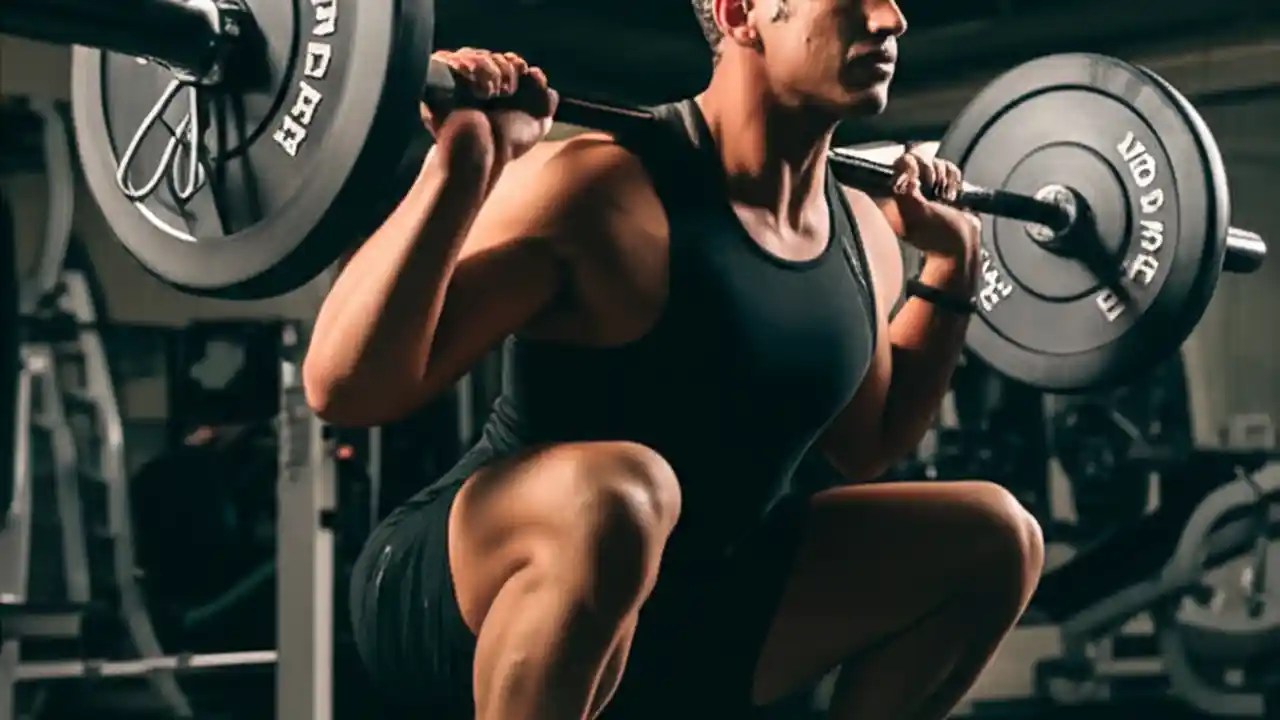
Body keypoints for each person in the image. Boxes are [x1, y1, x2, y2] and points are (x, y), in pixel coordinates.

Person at [304, 0, 1045, 717]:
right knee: (624, 493)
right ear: (738, 14)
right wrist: (464, 162)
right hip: (466, 590)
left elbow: (865, 446)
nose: (891, 19)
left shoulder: (863, 234)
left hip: (689, 601)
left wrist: (953, 267)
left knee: (994, 538)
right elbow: (346, 389)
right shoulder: (600, 190)